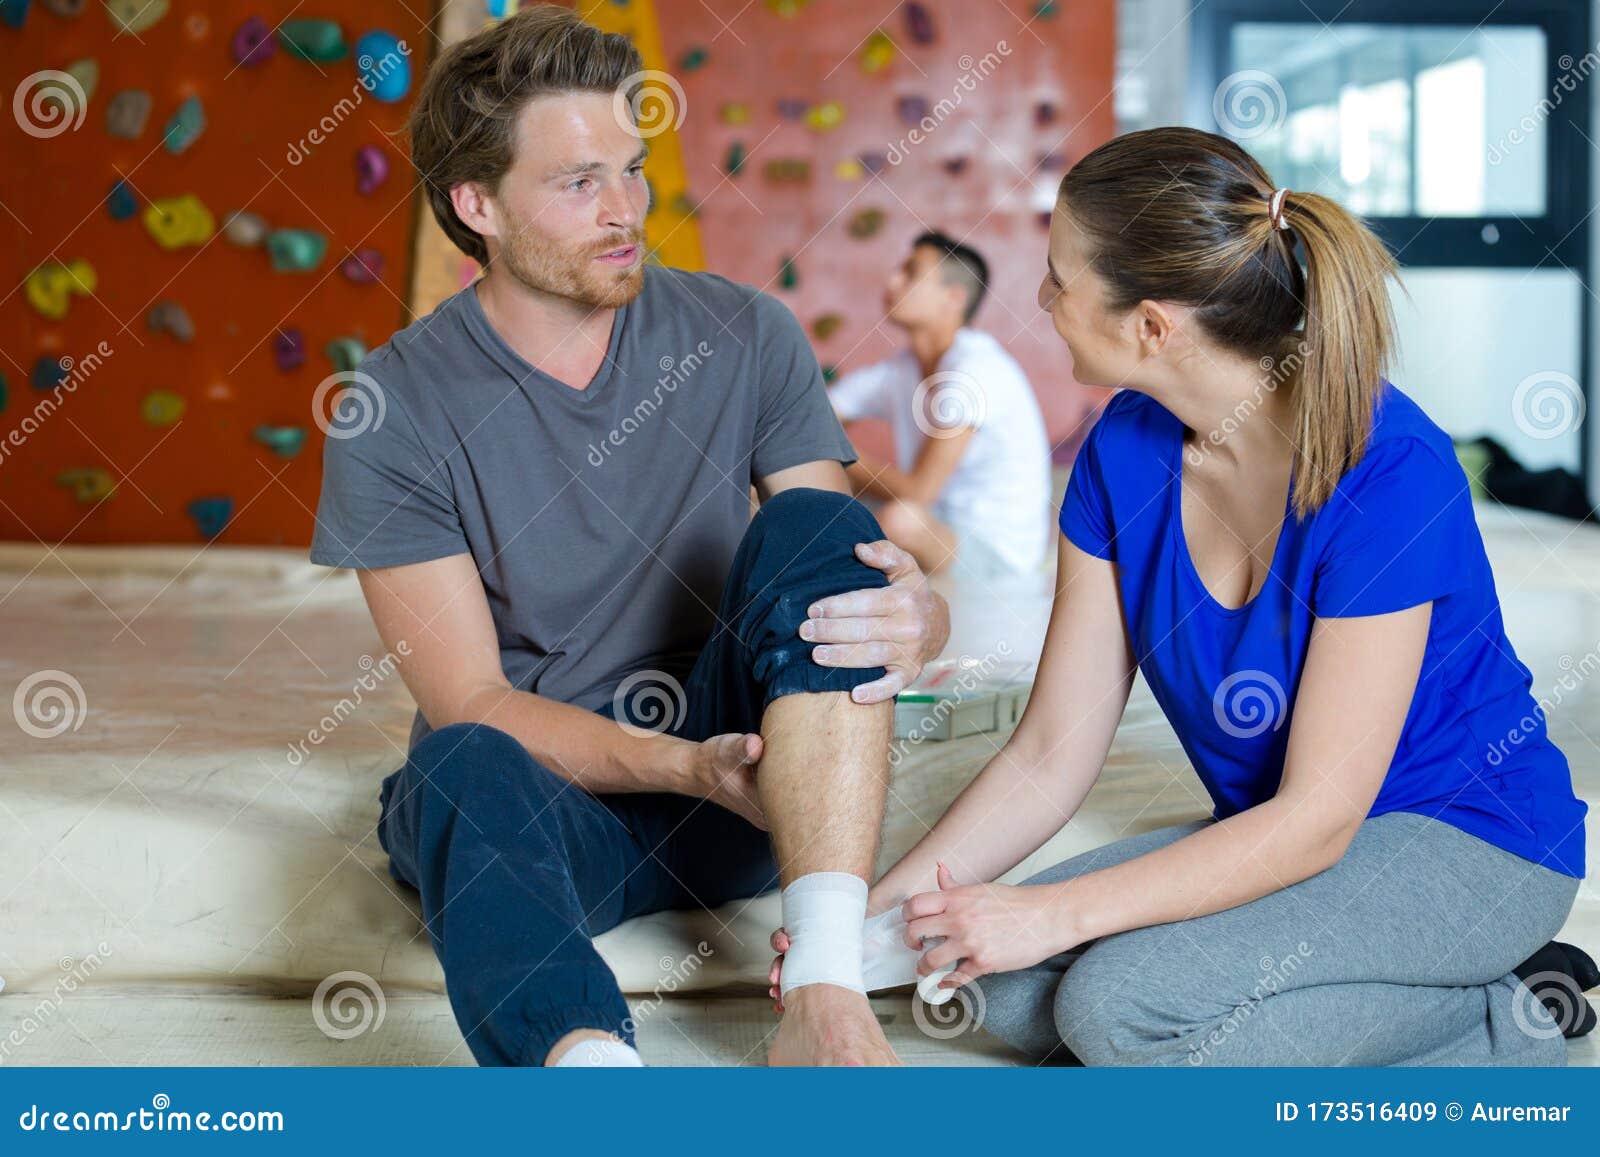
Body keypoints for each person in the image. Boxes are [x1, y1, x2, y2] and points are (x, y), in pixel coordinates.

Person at [773, 127, 1593, 1065]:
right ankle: (1410, 985)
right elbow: (1050, 752)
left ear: (1152, 326)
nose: (1042, 301)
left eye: (1059, 280)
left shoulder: (1391, 470)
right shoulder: (1119, 454)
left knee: (1116, 1010)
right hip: (1283, 837)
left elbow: (1317, 817)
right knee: (970, 971)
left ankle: (1511, 1012)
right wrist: (861, 925)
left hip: (1466, 841)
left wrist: (1053, 913)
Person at [309, 5, 950, 1068]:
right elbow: (471, 698)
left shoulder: (746, 333)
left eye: (633, 170)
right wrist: (680, 764)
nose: (625, 211)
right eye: (578, 183)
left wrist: (918, 613)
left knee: (819, 520)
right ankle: (592, 1075)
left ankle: (826, 987)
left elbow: (839, 567)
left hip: (750, 789)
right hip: (553, 817)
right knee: (456, 761)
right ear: (478, 205)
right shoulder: (393, 406)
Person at [827, 232, 1052, 579]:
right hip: (936, 520)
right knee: (813, 500)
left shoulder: (976, 369)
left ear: (954, 297)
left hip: (995, 550)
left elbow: (919, 492)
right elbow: (818, 410)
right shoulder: (901, 370)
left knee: (901, 520)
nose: (893, 281)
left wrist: (838, 452)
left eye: (911, 272)